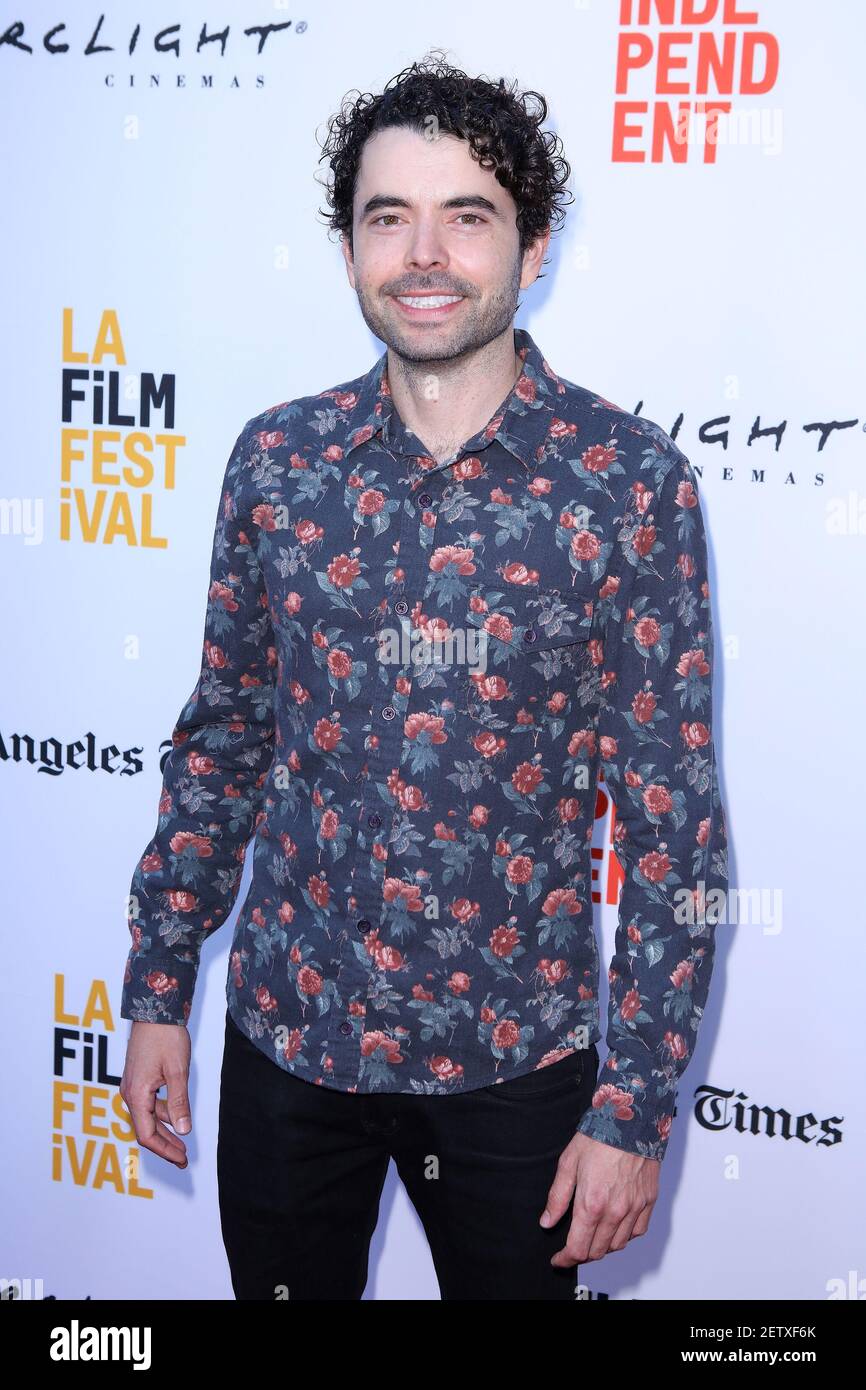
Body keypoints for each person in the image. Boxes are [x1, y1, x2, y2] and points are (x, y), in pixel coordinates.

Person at [119, 51, 728, 1301]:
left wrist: (634, 1110)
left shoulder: (627, 488)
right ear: (347, 249)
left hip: (514, 1076)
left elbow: (671, 830)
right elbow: (223, 743)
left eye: (468, 215)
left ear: (533, 244)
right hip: (290, 1047)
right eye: (387, 217)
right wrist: (160, 987)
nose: (425, 254)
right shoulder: (278, 464)